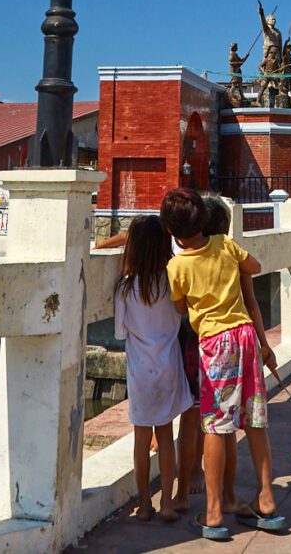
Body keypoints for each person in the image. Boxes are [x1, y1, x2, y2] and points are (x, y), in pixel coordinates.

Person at [162, 188, 285, 540]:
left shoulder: (177, 266)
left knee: (216, 425)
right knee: (255, 420)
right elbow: (255, 267)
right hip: (246, 336)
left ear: (171, 231)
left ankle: (214, 512)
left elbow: (180, 307)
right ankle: (266, 498)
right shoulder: (226, 247)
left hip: (216, 345)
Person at [113, 214, 190, 522]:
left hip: (141, 372)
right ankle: (167, 502)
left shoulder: (126, 288)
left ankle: (145, 503)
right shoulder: (171, 282)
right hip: (170, 366)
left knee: (141, 440)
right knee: (166, 436)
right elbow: (180, 316)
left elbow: (120, 332)